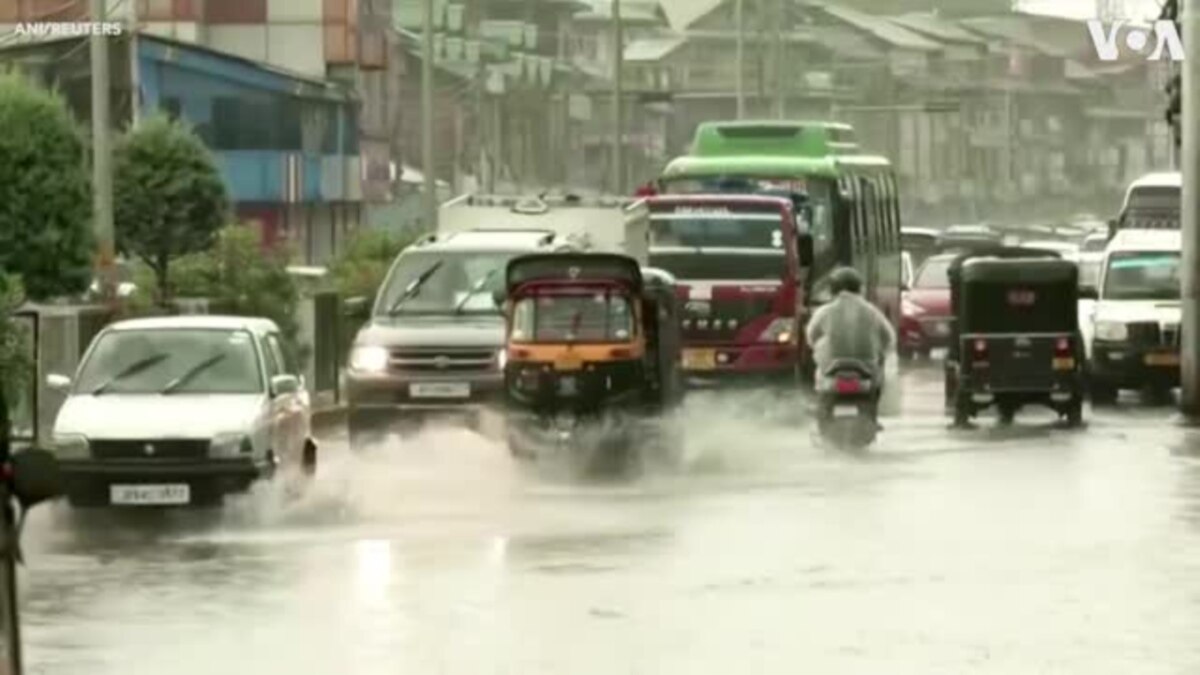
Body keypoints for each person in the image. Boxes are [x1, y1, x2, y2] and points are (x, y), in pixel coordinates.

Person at [805, 267, 896, 426]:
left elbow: (811, 336)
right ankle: (872, 418)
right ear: (859, 287)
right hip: (866, 369)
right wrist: (880, 354)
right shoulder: (872, 311)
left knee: (821, 384)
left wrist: (818, 349)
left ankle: (823, 417)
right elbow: (889, 338)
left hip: (831, 369)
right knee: (880, 382)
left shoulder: (824, 311)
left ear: (833, 288)